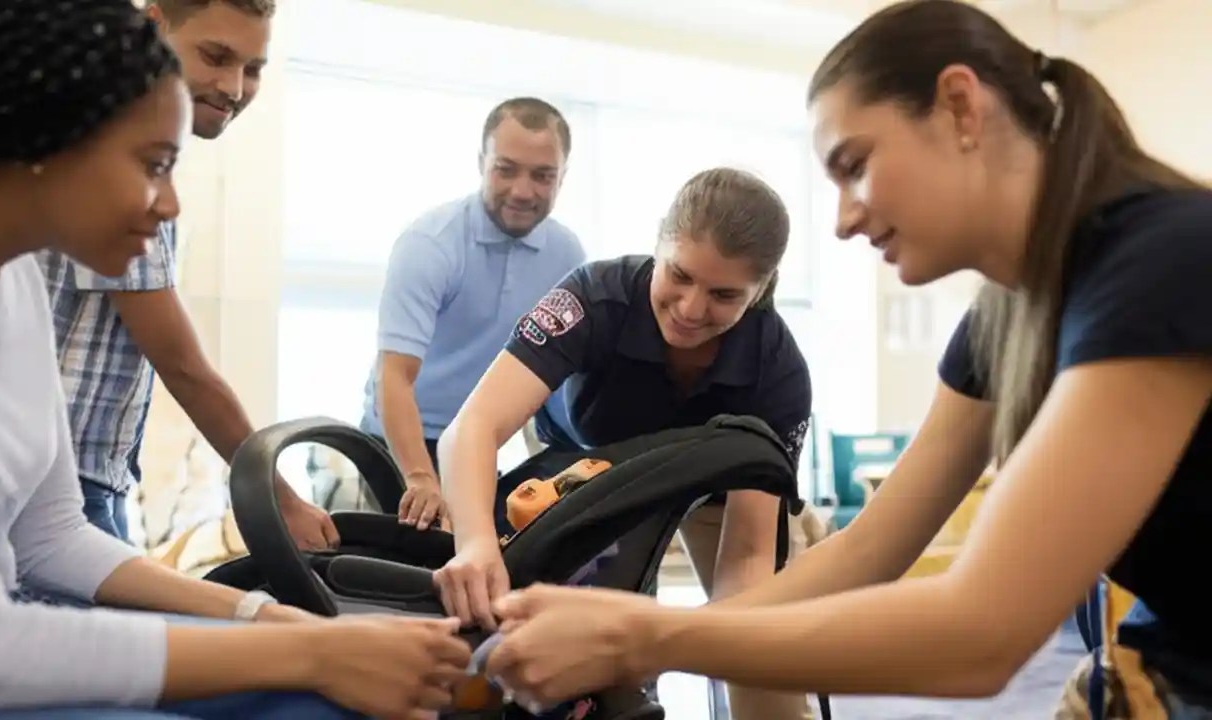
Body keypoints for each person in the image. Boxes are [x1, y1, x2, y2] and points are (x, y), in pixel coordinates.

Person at [467, 1, 1212, 717]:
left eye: (854, 165)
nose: (845, 218)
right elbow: (868, 553)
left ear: (960, 107)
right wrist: (651, 636)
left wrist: (646, 637)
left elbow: (982, 634)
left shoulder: (1162, 262)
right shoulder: (1007, 320)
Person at [0, 2, 469, 718]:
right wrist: (315, 649)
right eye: (155, 165)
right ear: (44, 137)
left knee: (322, 698)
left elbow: (51, 536)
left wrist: (264, 616)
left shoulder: (20, 283)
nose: (172, 204)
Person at [436, 167, 815, 720]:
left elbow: (749, 554)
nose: (690, 309)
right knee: (571, 658)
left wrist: (727, 640)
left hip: (715, 497)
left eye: (724, 294)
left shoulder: (777, 370)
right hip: (591, 477)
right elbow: (471, 428)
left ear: (762, 288)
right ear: (658, 242)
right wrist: (473, 543)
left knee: (763, 650)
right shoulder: (591, 298)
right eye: (679, 275)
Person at [35, 0, 338, 551]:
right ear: (154, 25)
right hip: (56, 486)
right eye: (216, 55)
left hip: (83, 477)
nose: (234, 86)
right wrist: (282, 500)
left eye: (253, 68)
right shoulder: (111, 147)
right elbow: (183, 366)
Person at [358, 97, 586, 530]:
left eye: (543, 175)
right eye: (506, 169)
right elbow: (395, 376)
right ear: (482, 162)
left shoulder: (567, 255)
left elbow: (556, 379)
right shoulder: (430, 244)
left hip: (477, 441)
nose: (523, 191)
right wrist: (421, 477)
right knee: (407, 576)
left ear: (563, 176)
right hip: (402, 442)